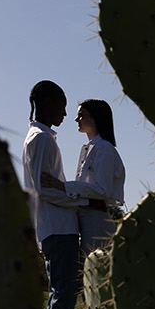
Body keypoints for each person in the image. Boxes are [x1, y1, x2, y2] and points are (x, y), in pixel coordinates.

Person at [21, 80, 82, 309]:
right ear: (48, 102)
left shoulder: (40, 138)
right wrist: (77, 198)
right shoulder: (42, 139)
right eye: (61, 106)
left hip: (53, 226)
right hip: (57, 227)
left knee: (64, 289)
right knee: (64, 290)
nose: (65, 114)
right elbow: (42, 189)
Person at [41, 98, 125, 253]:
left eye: (81, 115)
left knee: (96, 271)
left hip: (97, 222)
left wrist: (63, 186)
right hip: (86, 220)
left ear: (94, 119)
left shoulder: (104, 149)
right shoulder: (90, 149)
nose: (76, 119)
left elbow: (102, 190)